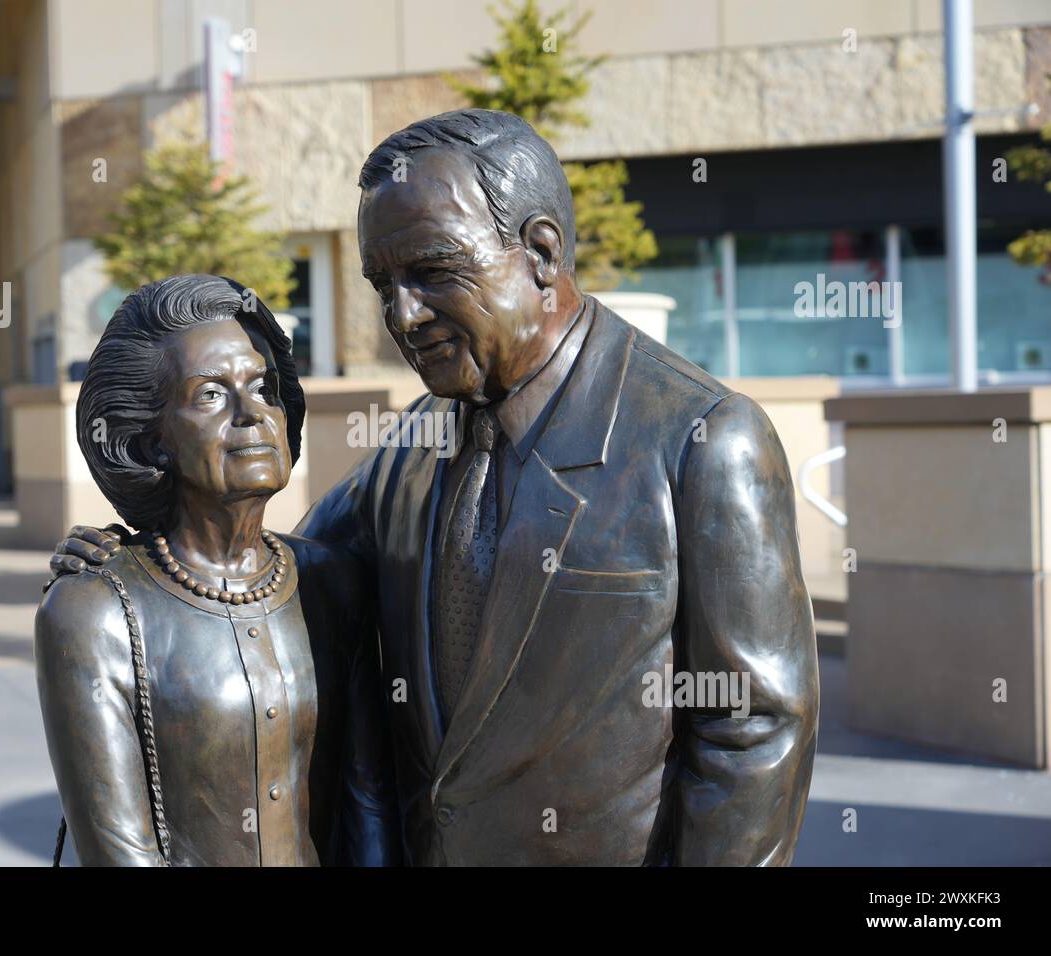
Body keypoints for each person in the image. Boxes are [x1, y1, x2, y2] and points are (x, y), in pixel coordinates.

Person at [57, 110, 819, 866]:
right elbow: (276, 572)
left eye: (431, 271)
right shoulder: (414, 446)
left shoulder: (701, 440)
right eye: (383, 284)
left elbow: (752, 733)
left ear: (541, 252)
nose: (402, 314)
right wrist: (140, 564)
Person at [35, 274, 398, 866]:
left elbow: (370, 805)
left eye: (263, 387)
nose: (251, 414)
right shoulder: (92, 611)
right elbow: (122, 854)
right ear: (153, 440)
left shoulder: (331, 583)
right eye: (210, 394)